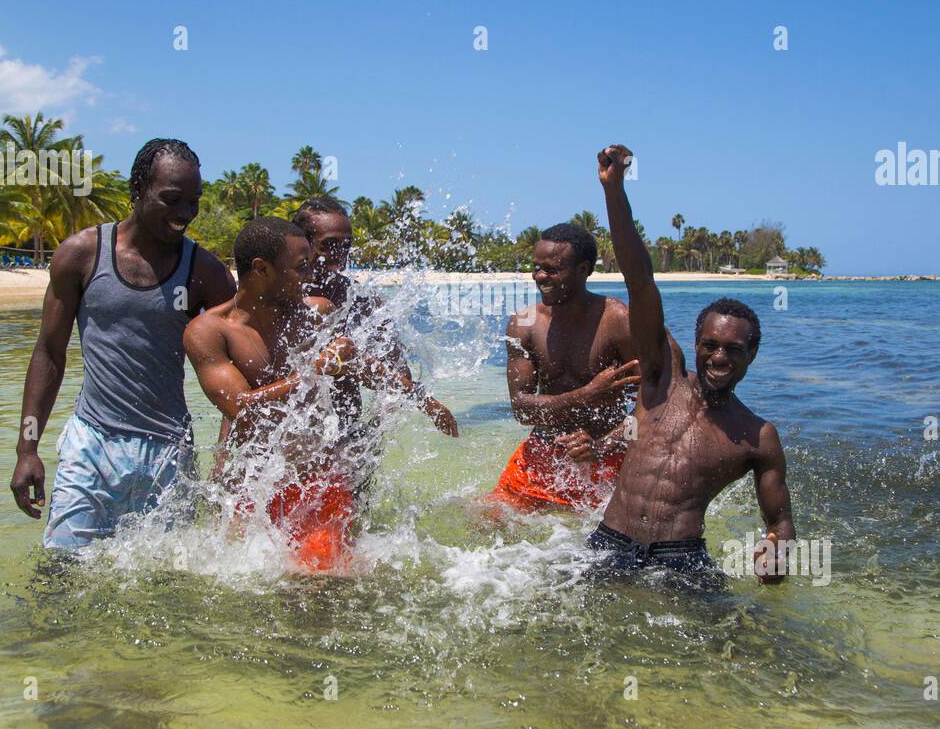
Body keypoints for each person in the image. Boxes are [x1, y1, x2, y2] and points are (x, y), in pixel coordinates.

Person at [11, 138, 235, 549]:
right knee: (61, 570)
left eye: (194, 201)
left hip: (169, 453)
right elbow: (48, 353)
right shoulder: (80, 255)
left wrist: (224, 464)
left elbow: (237, 374)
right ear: (137, 190)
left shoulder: (204, 271)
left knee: (165, 586)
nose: (185, 214)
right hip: (91, 443)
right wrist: (28, 449)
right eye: (172, 199)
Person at [591, 144, 794, 583]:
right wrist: (614, 191)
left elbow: (780, 523)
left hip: (681, 560)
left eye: (733, 350)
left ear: (751, 356)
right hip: (610, 542)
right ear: (696, 344)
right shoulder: (662, 377)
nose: (719, 357)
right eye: (710, 345)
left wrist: (775, 554)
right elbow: (640, 281)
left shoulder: (758, 436)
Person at [185, 216, 419, 571]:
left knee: (324, 587)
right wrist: (313, 372)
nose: (310, 276)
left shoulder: (315, 311)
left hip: (319, 481)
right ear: (261, 269)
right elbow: (241, 408)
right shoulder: (208, 331)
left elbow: (355, 364)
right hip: (255, 483)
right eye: (301, 267)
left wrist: (418, 396)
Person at [491, 222, 640, 510]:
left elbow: (655, 405)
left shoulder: (618, 321)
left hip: (605, 455)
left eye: (552, 269)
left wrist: (603, 446)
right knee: (483, 525)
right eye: (536, 268)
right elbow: (521, 408)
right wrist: (587, 394)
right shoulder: (524, 324)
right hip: (542, 453)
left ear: (583, 270)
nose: (540, 277)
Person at [291, 196, 458, 438]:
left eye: (347, 244)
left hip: (345, 436)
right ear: (302, 244)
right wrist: (424, 401)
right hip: (290, 436)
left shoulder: (362, 301)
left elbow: (399, 374)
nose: (341, 252)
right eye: (329, 244)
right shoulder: (282, 299)